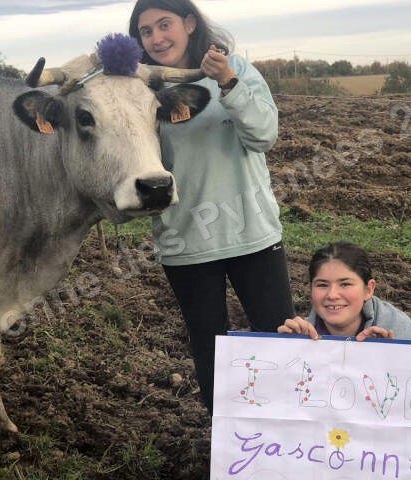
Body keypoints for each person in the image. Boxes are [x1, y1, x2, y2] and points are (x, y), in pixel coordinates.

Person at [128, 0, 295, 415]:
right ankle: (230, 446)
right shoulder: (143, 92)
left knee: (279, 340)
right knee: (210, 349)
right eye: (145, 31)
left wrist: (229, 83)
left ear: (189, 23)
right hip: (187, 242)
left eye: (163, 25)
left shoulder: (234, 67)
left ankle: (287, 439)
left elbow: (264, 136)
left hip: (252, 233)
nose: (156, 38)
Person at [278, 241, 411, 480]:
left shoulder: (395, 326)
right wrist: (284, 352)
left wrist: (387, 356)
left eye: (345, 284)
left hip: (397, 433)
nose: (333, 295)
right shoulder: (301, 333)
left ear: (368, 289)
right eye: (322, 285)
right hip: (334, 433)